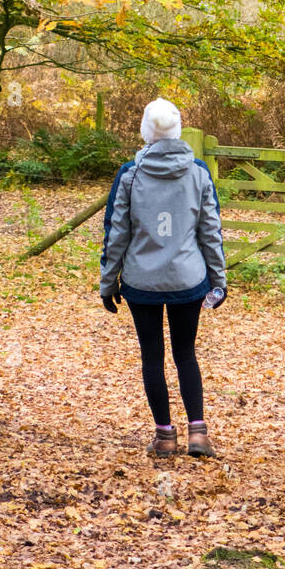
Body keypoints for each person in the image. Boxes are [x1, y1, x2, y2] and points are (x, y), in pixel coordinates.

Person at [100, 97, 227, 457]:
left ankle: (164, 437)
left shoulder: (130, 174)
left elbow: (116, 233)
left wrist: (108, 282)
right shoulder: (198, 172)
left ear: (145, 131)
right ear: (178, 130)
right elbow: (211, 231)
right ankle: (198, 434)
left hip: (143, 282)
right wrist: (218, 280)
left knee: (152, 356)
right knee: (186, 354)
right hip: (188, 279)